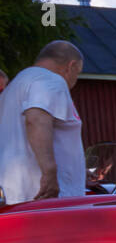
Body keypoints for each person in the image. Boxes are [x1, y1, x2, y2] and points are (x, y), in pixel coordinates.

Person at [0, 40, 84, 204]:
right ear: (71, 66)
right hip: (43, 194)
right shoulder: (51, 81)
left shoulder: (15, 86)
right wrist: (49, 171)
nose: (75, 80)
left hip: (14, 191)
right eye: (77, 73)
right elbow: (36, 119)